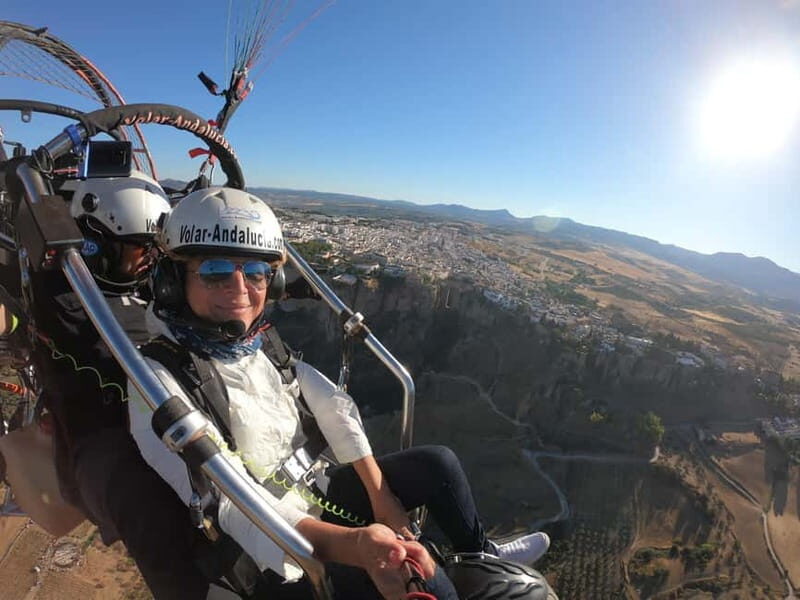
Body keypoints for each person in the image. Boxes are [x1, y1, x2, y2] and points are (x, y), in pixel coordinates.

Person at [128, 186, 550, 599]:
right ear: (170, 280)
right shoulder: (158, 378)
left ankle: (480, 555)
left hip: (316, 490)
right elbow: (232, 505)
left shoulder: (257, 345)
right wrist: (356, 545)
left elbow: (332, 405)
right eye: (216, 270)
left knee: (438, 463)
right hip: (272, 551)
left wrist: (380, 495)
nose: (240, 289)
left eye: (255, 272)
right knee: (414, 575)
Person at [0, 171, 214, 597]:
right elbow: (12, 310)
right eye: (140, 250)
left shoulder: (158, 288)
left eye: (156, 251)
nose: (150, 261)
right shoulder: (57, 293)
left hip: (177, 411)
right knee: (149, 511)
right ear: (95, 244)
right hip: (104, 440)